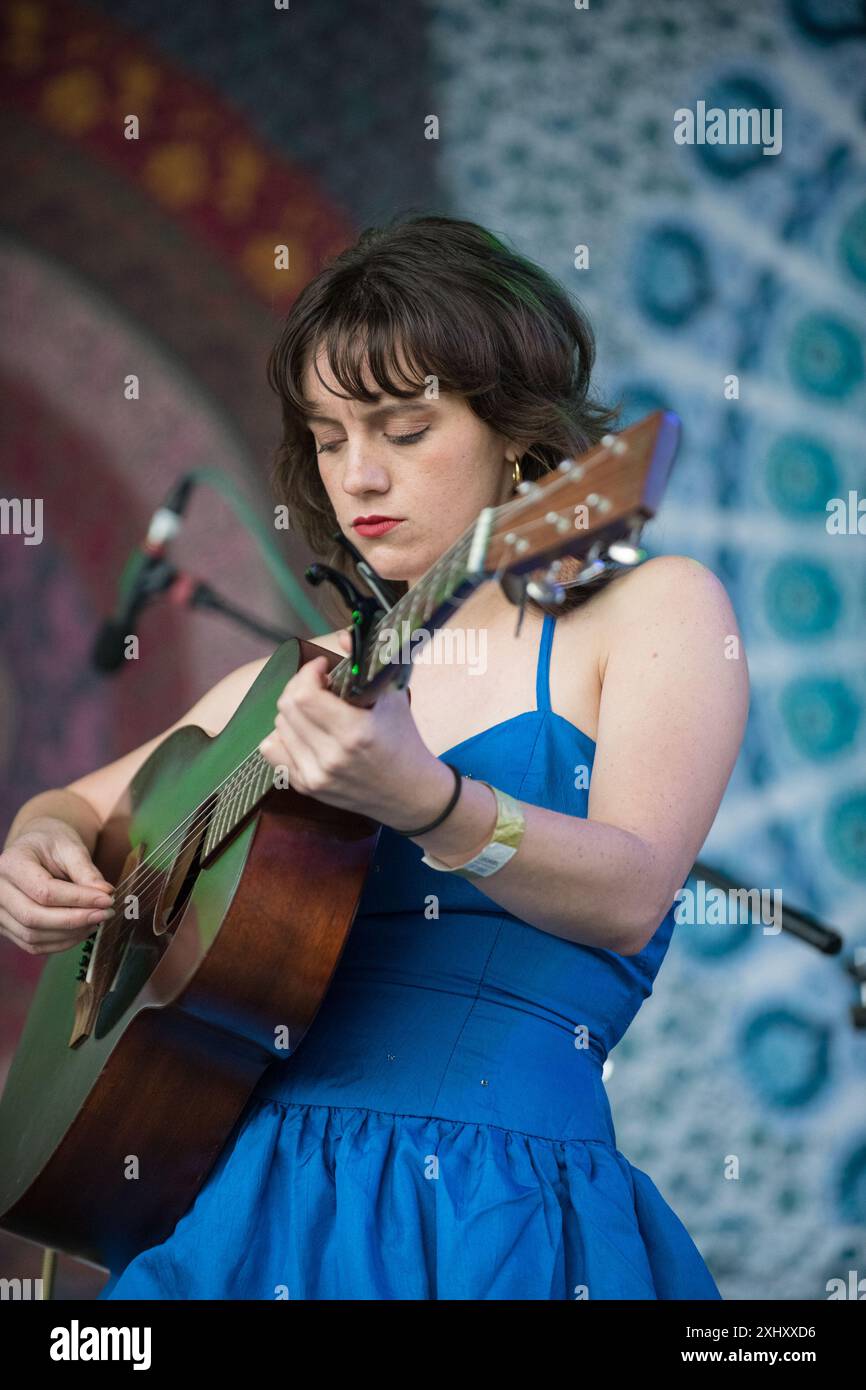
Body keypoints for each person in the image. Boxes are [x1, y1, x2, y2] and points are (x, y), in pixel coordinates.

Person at [1, 214, 749, 1299]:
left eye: (403, 429)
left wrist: (430, 802)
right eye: (327, 437)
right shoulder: (305, 679)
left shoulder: (655, 608)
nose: (357, 476)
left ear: (516, 434)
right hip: (245, 1203)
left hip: (490, 1210)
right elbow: (69, 806)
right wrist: (37, 846)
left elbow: (631, 895)